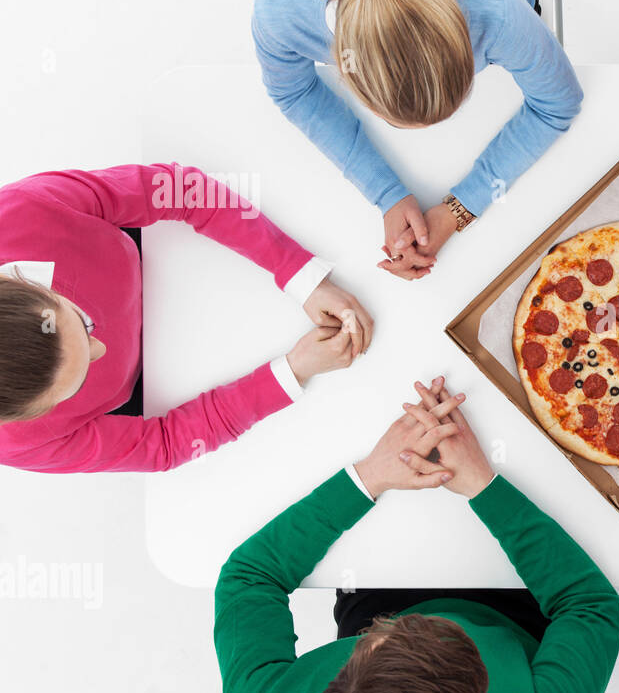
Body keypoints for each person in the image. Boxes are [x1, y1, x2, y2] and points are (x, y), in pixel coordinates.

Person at [214, 376, 619, 693]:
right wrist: (486, 487)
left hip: (371, 601)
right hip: (520, 609)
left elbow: (250, 577)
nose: (427, 619)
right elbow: (590, 605)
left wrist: (367, 477)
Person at [253, 0, 583, 281]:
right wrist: (386, 191)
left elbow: (559, 102)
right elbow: (292, 93)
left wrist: (459, 208)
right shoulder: (278, 9)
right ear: (345, 72)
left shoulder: (500, 9)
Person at [0, 163, 370, 473]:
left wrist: (299, 273)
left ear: (23, 283)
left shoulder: (22, 211)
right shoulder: (17, 444)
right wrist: (293, 371)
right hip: (168, 378)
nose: (101, 348)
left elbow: (180, 190)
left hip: (168, 256)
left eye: (82, 324)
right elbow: (164, 445)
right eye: (75, 384)